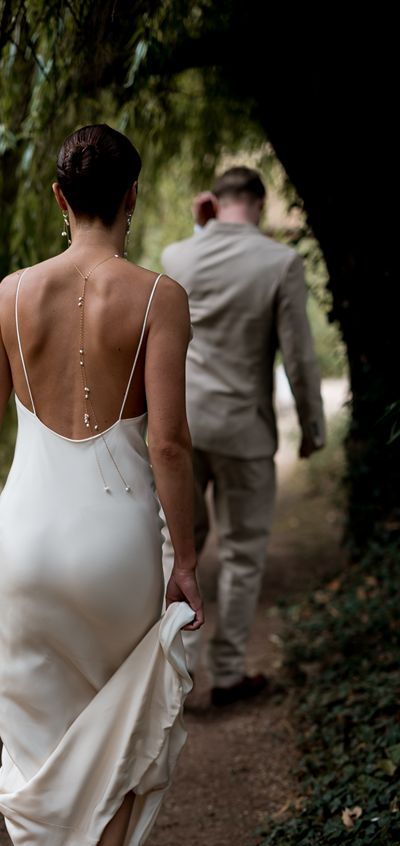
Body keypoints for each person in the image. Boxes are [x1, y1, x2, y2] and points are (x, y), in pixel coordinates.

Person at [0, 124, 202, 846]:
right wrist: (189, 558)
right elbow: (168, 443)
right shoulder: (159, 296)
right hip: (116, 543)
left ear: (59, 199)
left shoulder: (13, 295)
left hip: (26, 542)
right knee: (132, 713)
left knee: (33, 732)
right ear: (133, 196)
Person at [162, 168, 326, 705]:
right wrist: (311, 428)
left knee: (177, 546)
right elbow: (299, 357)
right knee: (241, 554)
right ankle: (228, 676)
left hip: (182, 429)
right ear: (257, 203)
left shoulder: (178, 257)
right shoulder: (280, 263)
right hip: (244, 431)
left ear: (218, 202)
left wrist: (200, 229)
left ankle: (171, 676)